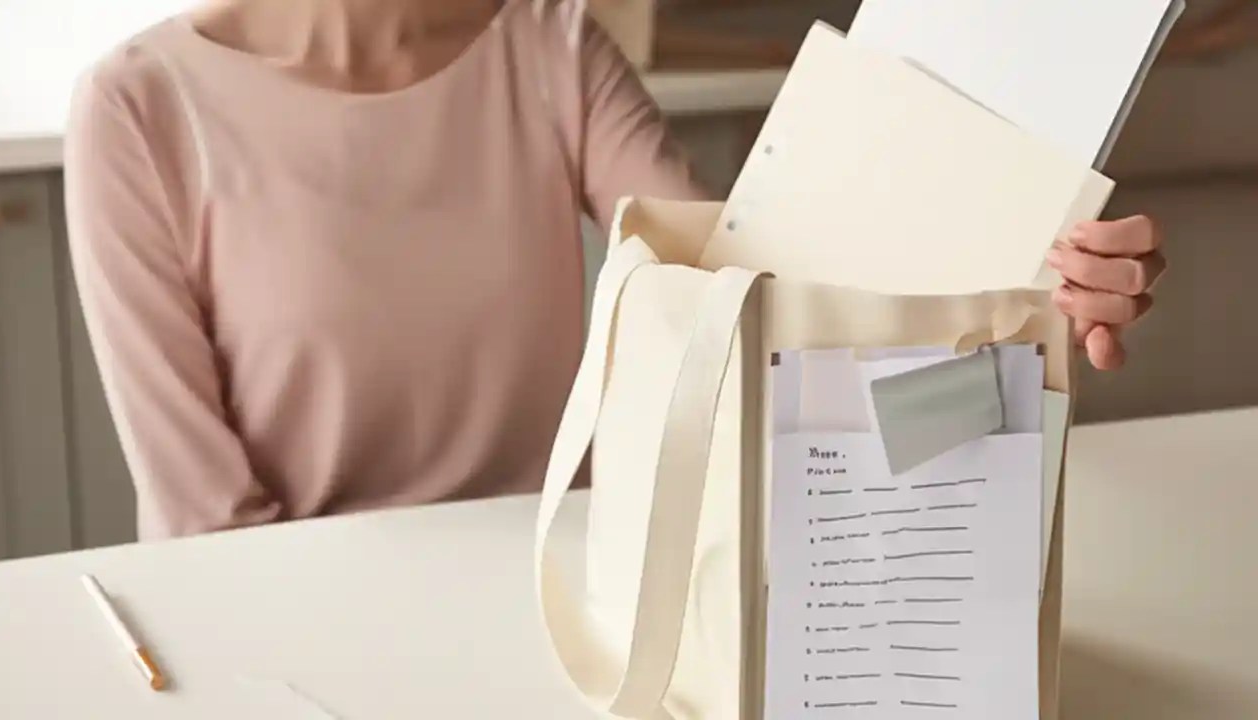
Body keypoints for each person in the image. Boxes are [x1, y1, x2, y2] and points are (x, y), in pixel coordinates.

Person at [64, 0, 1166, 540]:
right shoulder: (138, 109)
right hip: (293, 653)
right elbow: (207, 529)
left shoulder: (549, 45)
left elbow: (757, 337)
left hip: (573, 598)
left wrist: (1020, 306)